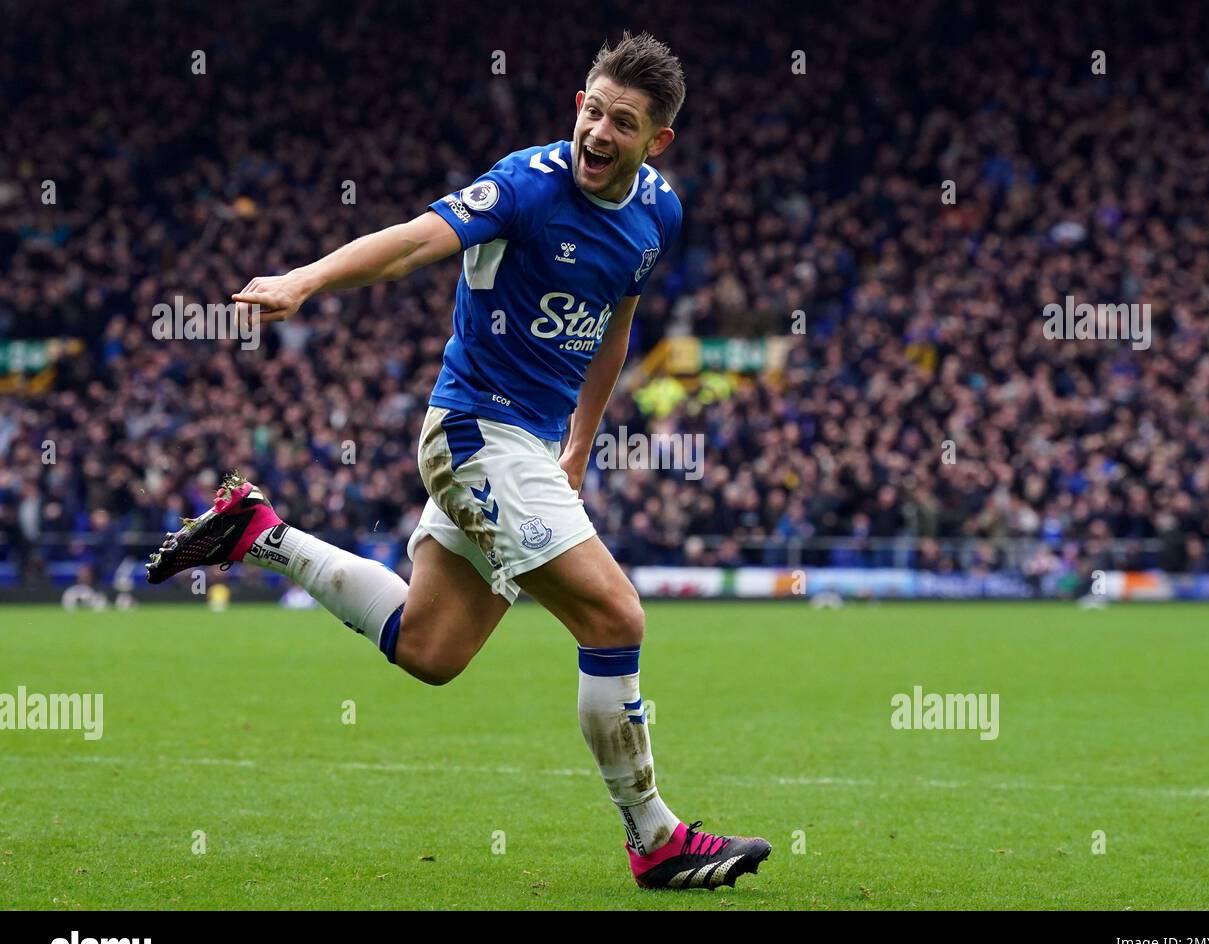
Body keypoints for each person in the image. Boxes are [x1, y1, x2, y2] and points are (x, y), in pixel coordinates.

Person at [145, 31, 770, 891]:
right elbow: (408, 241)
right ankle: (654, 837)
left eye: (621, 123)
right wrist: (303, 281)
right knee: (617, 618)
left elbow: (616, 323)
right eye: (592, 108)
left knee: (431, 649)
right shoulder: (524, 185)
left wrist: (583, 439)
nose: (596, 131)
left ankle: (260, 532)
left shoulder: (657, 213)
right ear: (576, 102)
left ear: (656, 140)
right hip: (477, 432)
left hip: (529, 449)